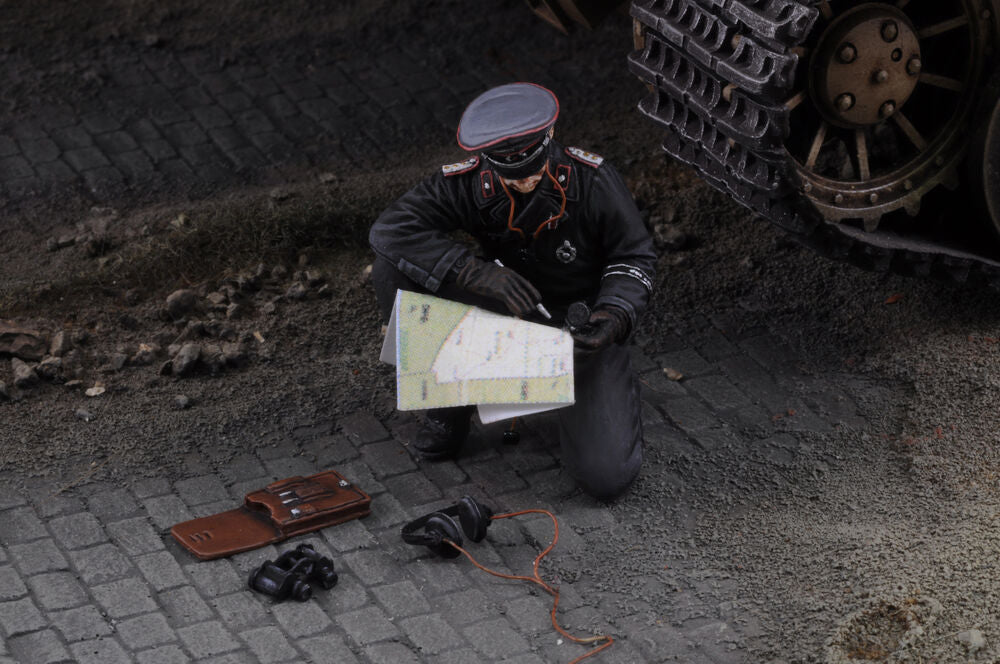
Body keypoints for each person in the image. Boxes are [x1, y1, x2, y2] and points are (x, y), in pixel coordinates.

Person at [369, 82, 656, 499]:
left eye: (533, 171)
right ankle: (449, 402)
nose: (524, 184)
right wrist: (473, 272)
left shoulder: (592, 179)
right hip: (509, 308)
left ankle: (605, 387)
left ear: (550, 138)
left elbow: (635, 256)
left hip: (582, 327)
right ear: (485, 160)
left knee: (606, 478)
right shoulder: (466, 182)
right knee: (391, 269)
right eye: (511, 175)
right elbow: (390, 230)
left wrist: (613, 315)